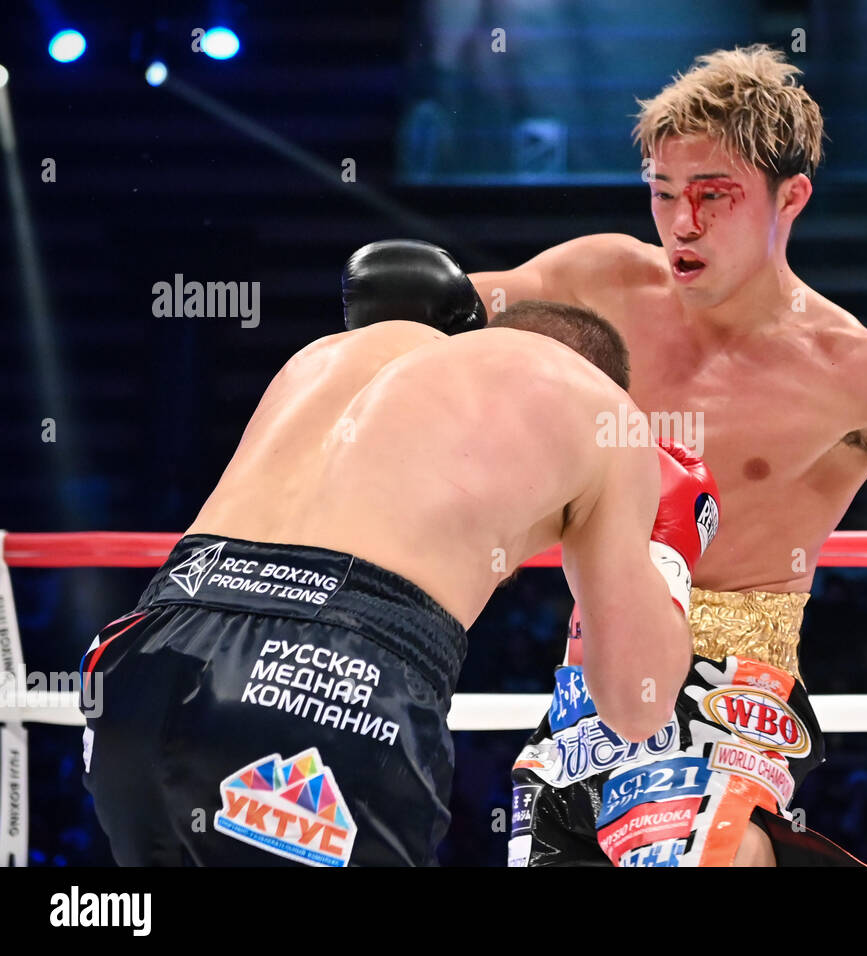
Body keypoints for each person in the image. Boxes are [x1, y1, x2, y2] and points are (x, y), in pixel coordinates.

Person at [470, 46, 867, 867]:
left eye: (714, 196)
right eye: (665, 194)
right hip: (587, 677)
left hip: (734, 687)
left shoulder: (862, 368)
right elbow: (451, 315)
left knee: (711, 854)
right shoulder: (597, 279)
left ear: (792, 197)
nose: (683, 223)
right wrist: (410, 305)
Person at [78, 240, 720, 866]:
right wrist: (667, 552)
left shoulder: (332, 355)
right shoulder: (610, 416)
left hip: (147, 657)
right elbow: (635, 705)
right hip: (331, 683)